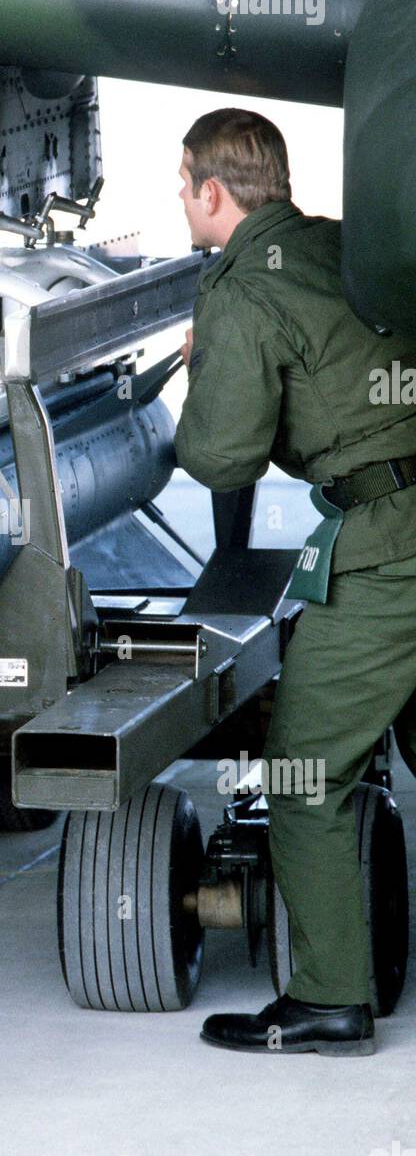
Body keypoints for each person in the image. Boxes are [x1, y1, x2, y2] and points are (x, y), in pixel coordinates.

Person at [174, 108, 416, 1056]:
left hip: (389, 545)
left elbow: (222, 458)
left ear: (213, 191)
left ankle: (328, 1001)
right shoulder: (344, 246)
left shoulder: (239, 295)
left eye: (183, 184)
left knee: (305, 778)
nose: (182, 200)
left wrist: (201, 379)